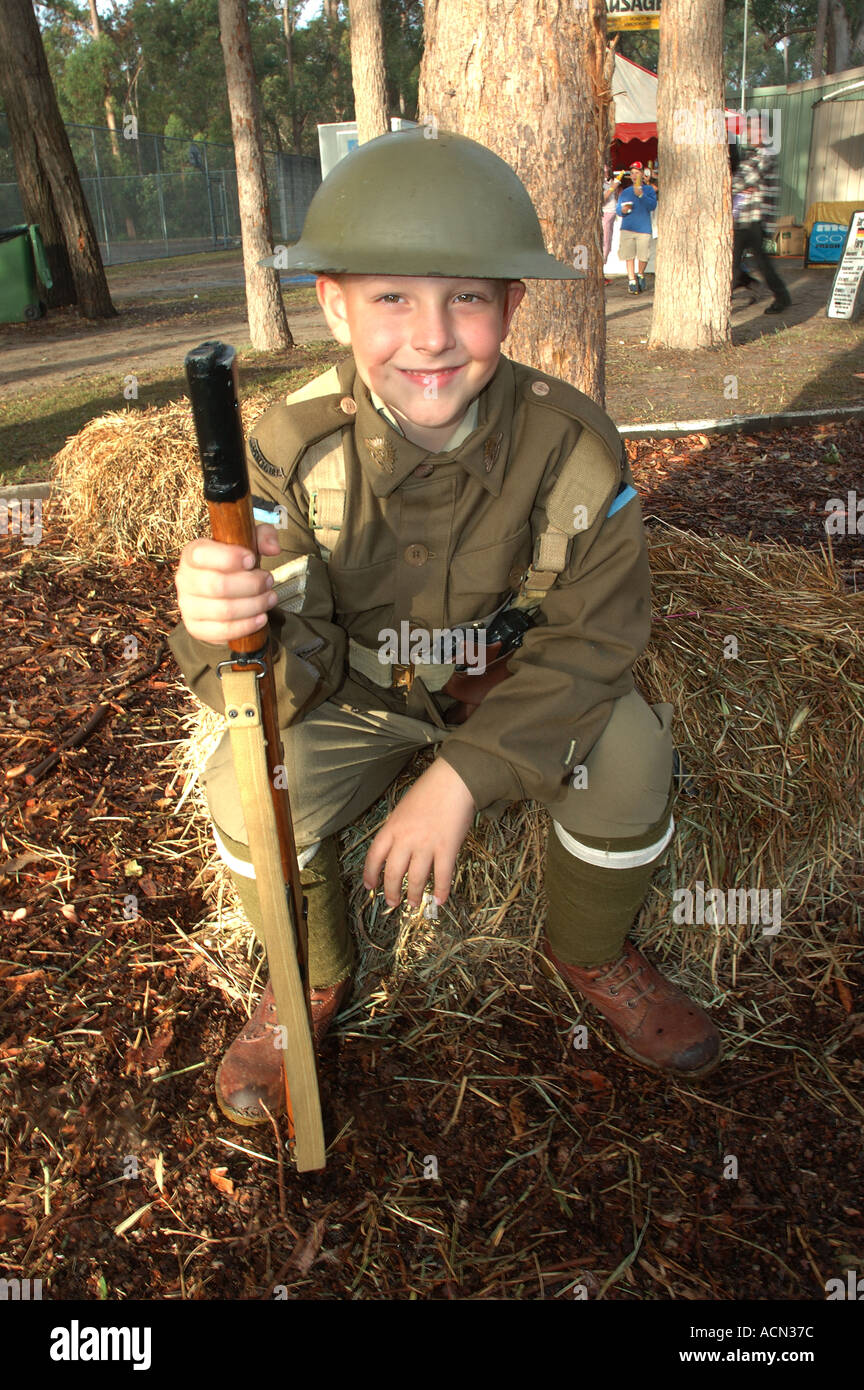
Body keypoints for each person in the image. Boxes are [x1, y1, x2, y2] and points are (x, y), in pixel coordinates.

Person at [170, 127, 722, 1128]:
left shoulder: (574, 443)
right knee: (246, 783)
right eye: (391, 298)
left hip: (512, 686)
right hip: (358, 694)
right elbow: (277, 671)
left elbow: (596, 639)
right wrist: (225, 630)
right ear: (334, 304)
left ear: (512, 304)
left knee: (633, 755)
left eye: (465, 297)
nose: (429, 336)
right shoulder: (290, 451)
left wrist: (465, 775)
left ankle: (591, 951)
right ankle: (312, 979)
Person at [731, 137, 791, 315]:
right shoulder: (750, 155)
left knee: (762, 263)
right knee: (733, 261)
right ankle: (751, 284)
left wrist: (737, 185)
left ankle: (782, 297)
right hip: (744, 216)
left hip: (758, 218)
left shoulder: (767, 154)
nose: (750, 133)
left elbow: (746, 180)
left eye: (755, 129)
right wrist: (740, 185)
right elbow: (741, 180)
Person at [616, 161, 657, 294]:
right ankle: (631, 280)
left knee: (643, 255)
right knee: (629, 255)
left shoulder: (649, 189)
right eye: (632, 173)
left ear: (642, 174)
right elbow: (618, 209)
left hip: (643, 228)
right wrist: (622, 210)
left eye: (637, 173)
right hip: (627, 226)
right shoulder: (626, 192)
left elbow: (652, 206)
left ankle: (640, 274)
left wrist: (641, 195)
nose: (634, 175)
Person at [602, 163, 621, 286]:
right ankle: (600, 273)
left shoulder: (611, 182)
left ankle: (602, 272)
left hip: (613, 214)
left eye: (607, 169)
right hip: (605, 214)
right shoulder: (601, 184)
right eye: (604, 170)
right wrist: (613, 187)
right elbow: (603, 199)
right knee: (604, 244)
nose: (606, 171)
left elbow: (616, 197)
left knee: (608, 245)